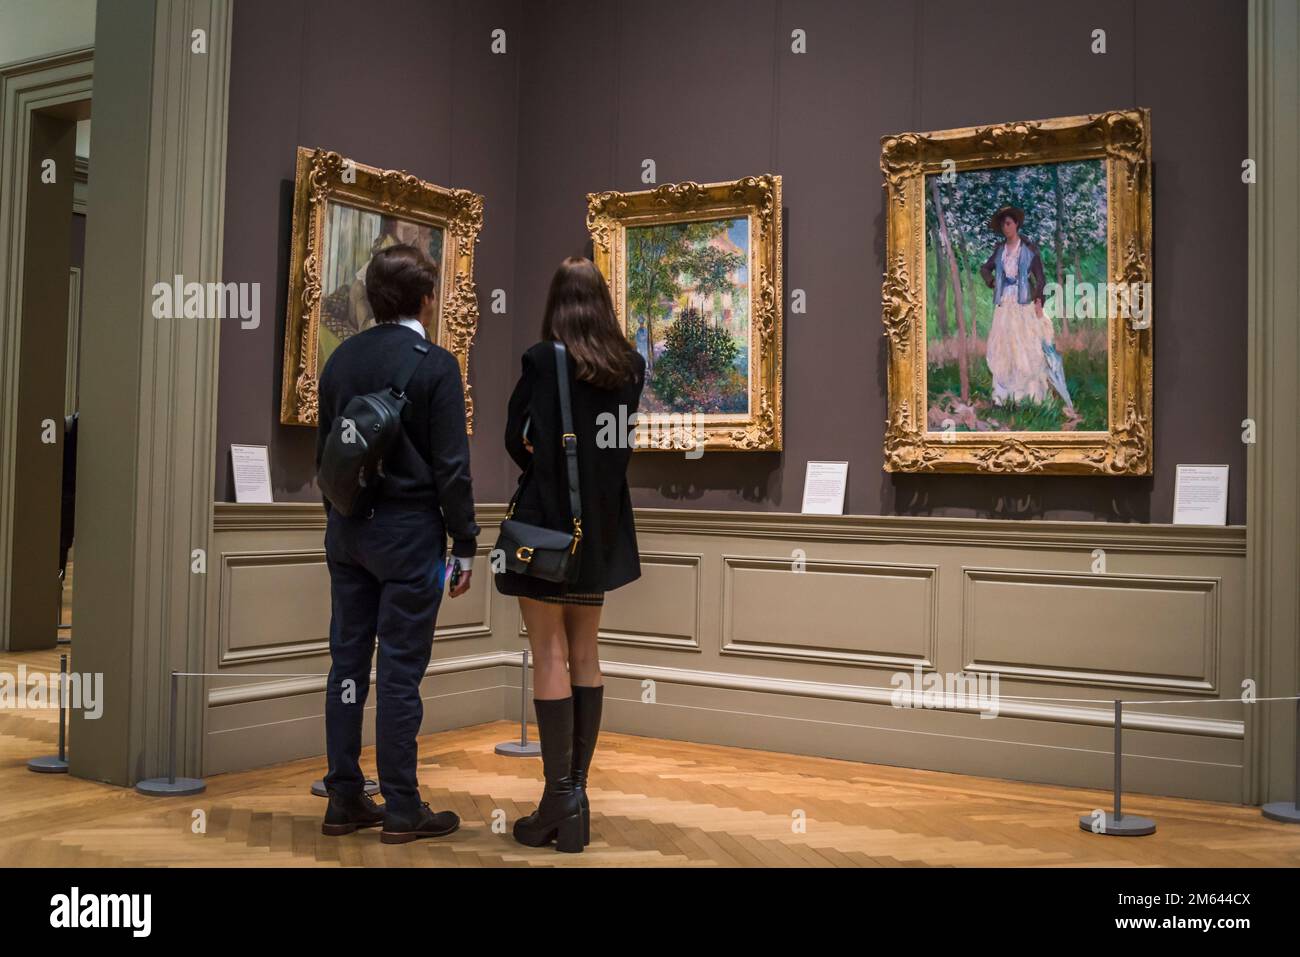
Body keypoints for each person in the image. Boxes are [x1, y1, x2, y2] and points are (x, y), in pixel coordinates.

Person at [315, 243, 478, 844]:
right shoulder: (435, 365)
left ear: (372, 297)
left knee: (347, 666)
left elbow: (325, 459)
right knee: (401, 674)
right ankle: (404, 807)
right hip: (409, 536)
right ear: (427, 298)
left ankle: (343, 799)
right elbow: (452, 469)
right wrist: (465, 542)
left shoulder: (339, 363)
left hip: (347, 529)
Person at [496, 257, 645, 853]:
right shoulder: (630, 368)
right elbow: (615, 446)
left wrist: (543, 461)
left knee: (548, 652)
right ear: (603, 303)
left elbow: (515, 437)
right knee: (586, 653)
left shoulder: (543, 359)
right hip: (601, 528)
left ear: (556, 304)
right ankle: (574, 797)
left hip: (546, 529)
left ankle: (559, 797)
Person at [979, 205, 1076, 416]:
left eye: (1009, 223)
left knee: (1026, 347)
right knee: (1004, 346)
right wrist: (992, 281)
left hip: (1024, 302)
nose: (1006, 228)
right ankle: (1003, 397)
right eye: (1003, 225)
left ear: (1016, 224)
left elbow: (1040, 278)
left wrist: (1039, 300)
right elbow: (984, 268)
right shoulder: (999, 250)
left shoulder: (1029, 250)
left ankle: (1030, 397)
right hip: (1005, 303)